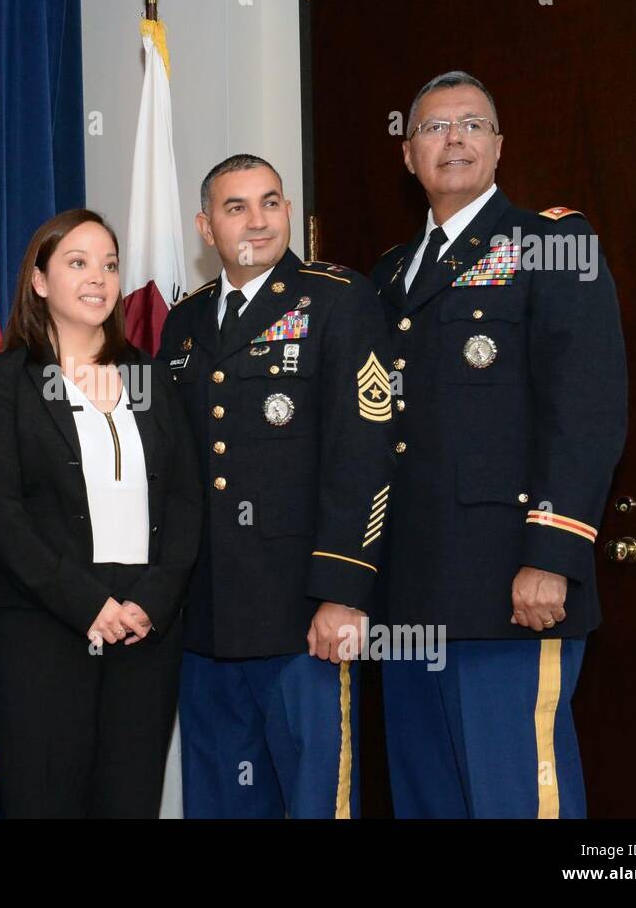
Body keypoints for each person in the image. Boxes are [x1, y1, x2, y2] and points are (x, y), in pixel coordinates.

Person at [370, 71, 627, 818]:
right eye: (434, 127)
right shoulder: (388, 274)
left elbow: (587, 408)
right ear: (408, 154)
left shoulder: (551, 243)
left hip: (508, 588)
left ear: (499, 146)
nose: (454, 139)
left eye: (472, 125)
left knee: (517, 796)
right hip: (408, 599)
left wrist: (551, 553)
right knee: (430, 801)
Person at [157, 154, 396, 818]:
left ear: (290, 211)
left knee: (319, 801)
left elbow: (365, 452)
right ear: (207, 227)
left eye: (271, 202)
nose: (258, 220)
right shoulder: (183, 323)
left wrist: (343, 592)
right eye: (236, 207)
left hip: (303, 620)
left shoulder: (338, 299)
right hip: (206, 623)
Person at [0, 209, 202, 818]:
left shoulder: (147, 376)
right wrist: (88, 605)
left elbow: (184, 501)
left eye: (110, 264)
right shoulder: (6, 381)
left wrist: (153, 599)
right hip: (46, 633)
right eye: (78, 262)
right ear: (39, 281)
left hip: (145, 633)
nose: (99, 277)